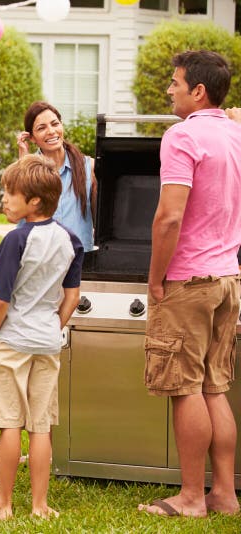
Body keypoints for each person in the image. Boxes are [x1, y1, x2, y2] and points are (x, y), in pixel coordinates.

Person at [137, 50, 241, 518]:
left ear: (198, 91)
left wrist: (156, 278)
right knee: (214, 387)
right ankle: (225, 495)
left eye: (175, 82)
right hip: (228, 276)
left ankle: (192, 497)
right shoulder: (236, 134)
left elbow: (169, 217)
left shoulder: (182, 136)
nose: (169, 89)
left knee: (186, 388)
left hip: (189, 279)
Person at [0, 154, 83, 520]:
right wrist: (54, 326)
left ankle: (3, 505)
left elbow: (0, 301)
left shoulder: (15, 240)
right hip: (47, 342)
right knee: (40, 426)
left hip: (13, 341)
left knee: (10, 422)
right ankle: (40, 505)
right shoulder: (71, 240)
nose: (5, 199)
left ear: (35, 201)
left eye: (11, 193)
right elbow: (72, 297)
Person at [16, 101, 97, 251]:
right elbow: (17, 213)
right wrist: (24, 164)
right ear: (32, 138)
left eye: (55, 124)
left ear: (61, 125)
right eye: (41, 128)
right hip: (39, 257)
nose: (51, 131)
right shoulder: (25, 170)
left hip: (80, 259)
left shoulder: (89, 167)